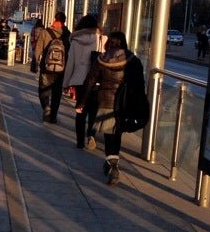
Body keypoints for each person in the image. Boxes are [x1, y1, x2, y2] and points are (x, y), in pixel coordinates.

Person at [76, 30, 146, 185]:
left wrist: (81, 103)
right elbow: (140, 85)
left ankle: (113, 166)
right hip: (125, 104)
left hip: (106, 102)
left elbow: (90, 81)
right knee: (117, 133)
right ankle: (111, 162)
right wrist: (139, 104)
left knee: (109, 134)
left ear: (109, 44)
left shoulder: (101, 59)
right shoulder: (133, 60)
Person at [62, 14, 102, 149]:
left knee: (80, 110)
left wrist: (66, 83)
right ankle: (91, 135)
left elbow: (70, 64)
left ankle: (80, 142)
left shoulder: (75, 41)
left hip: (80, 81)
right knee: (93, 111)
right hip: (96, 81)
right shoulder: (102, 39)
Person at [33, 11, 70, 123]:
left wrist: (34, 64)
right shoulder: (68, 34)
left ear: (54, 19)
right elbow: (69, 53)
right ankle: (53, 116)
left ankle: (46, 107)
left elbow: (38, 49)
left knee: (43, 90)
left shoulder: (45, 32)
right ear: (64, 21)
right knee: (57, 93)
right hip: (61, 69)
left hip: (46, 68)